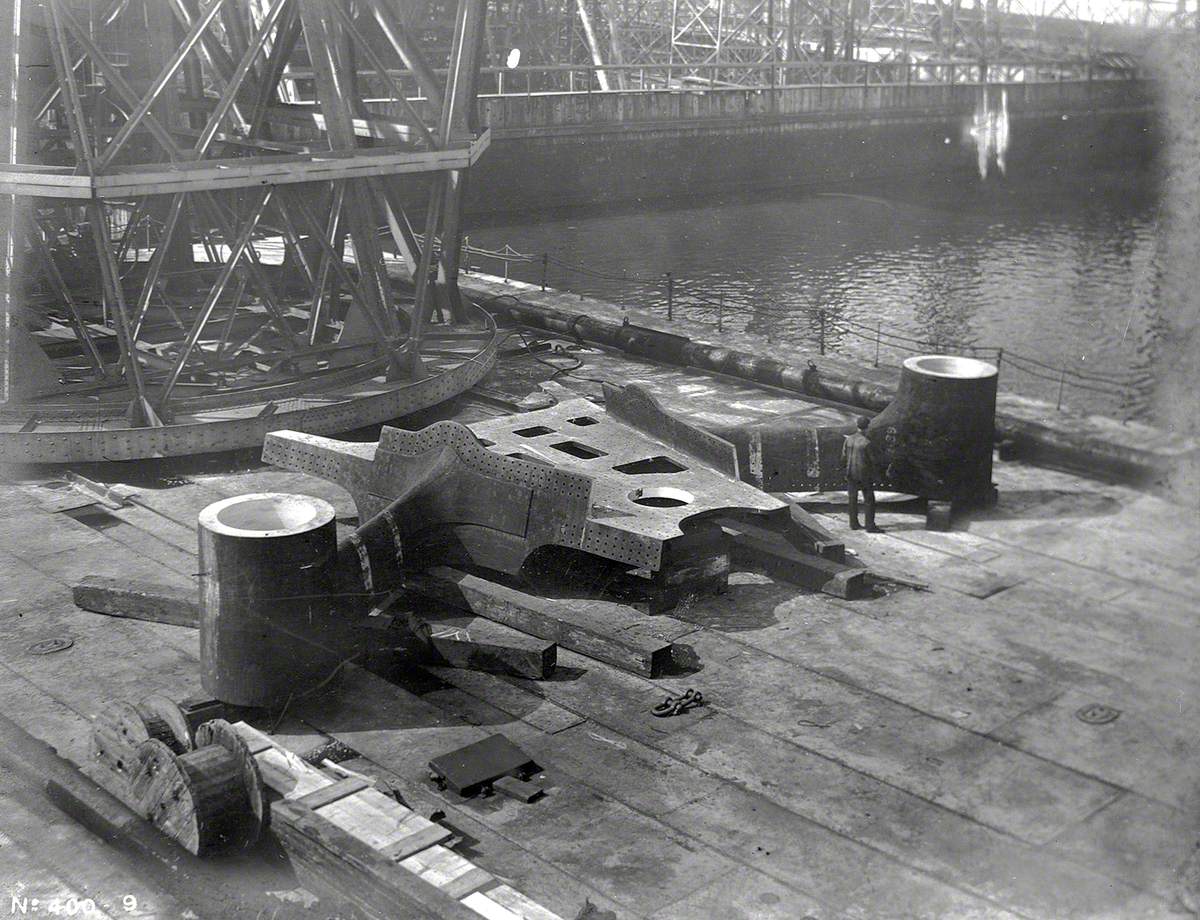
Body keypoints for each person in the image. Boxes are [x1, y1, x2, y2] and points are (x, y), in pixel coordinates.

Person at [843, 416, 881, 533]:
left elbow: (843, 457)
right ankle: (870, 526)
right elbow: (873, 461)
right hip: (863, 475)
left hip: (850, 473)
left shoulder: (848, 439)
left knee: (852, 499)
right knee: (869, 500)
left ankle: (853, 524)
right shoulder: (866, 443)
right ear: (867, 427)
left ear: (857, 426)